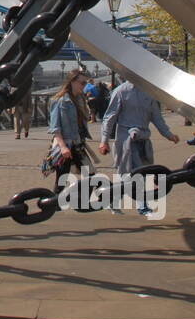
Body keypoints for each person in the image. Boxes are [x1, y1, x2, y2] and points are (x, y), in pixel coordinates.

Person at [99, 78, 180, 216]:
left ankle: (113, 200)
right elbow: (109, 117)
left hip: (143, 138)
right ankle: (142, 206)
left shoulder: (150, 93)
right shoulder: (120, 92)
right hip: (126, 140)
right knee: (134, 173)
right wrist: (104, 140)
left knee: (137, 173)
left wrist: (168, 134)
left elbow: (157, 117)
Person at [47, 70, 96, 207]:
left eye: (85, 82)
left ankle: (83, 202)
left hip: (78, 143)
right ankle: (54, 205)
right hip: (65, 145)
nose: (84, 85)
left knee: (89, 173)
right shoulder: (59, 100)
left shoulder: (80, 99)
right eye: (82, 82)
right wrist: (62, 147)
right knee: (62, 177)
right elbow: (55, 127)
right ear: (72, 82)